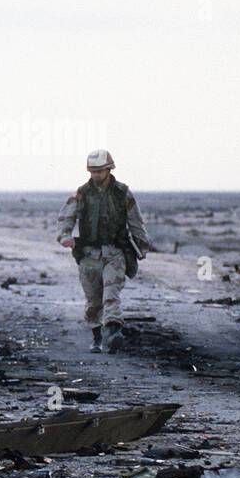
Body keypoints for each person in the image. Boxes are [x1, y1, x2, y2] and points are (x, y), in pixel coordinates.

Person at [55, 150, 149, 353]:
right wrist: (64, 236)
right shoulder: (81, 193)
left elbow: (135, 221)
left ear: (109, 169)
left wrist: (142, 245)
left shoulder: (122, 192)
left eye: (100, 171)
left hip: (115, 253)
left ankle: (114, 332)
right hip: (89, 255)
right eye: (93, 171)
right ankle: (97, 337)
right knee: (94, 301)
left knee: (111, 295)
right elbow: (66, 218)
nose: (96, 175)